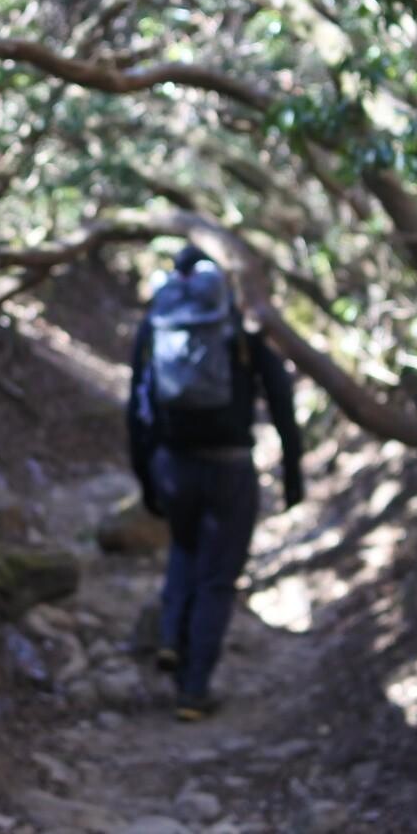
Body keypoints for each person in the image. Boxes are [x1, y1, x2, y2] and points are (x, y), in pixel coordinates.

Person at [127, 244, 304, 721]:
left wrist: (146, 478)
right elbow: (282, 403)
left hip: (171, 464)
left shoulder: (155, 327)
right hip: (230, 467)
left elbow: (136, 410)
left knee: (184, 548)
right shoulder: (239, 333)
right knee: (218, 577)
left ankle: (170, 637)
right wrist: (292, 476)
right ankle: (194, 688)